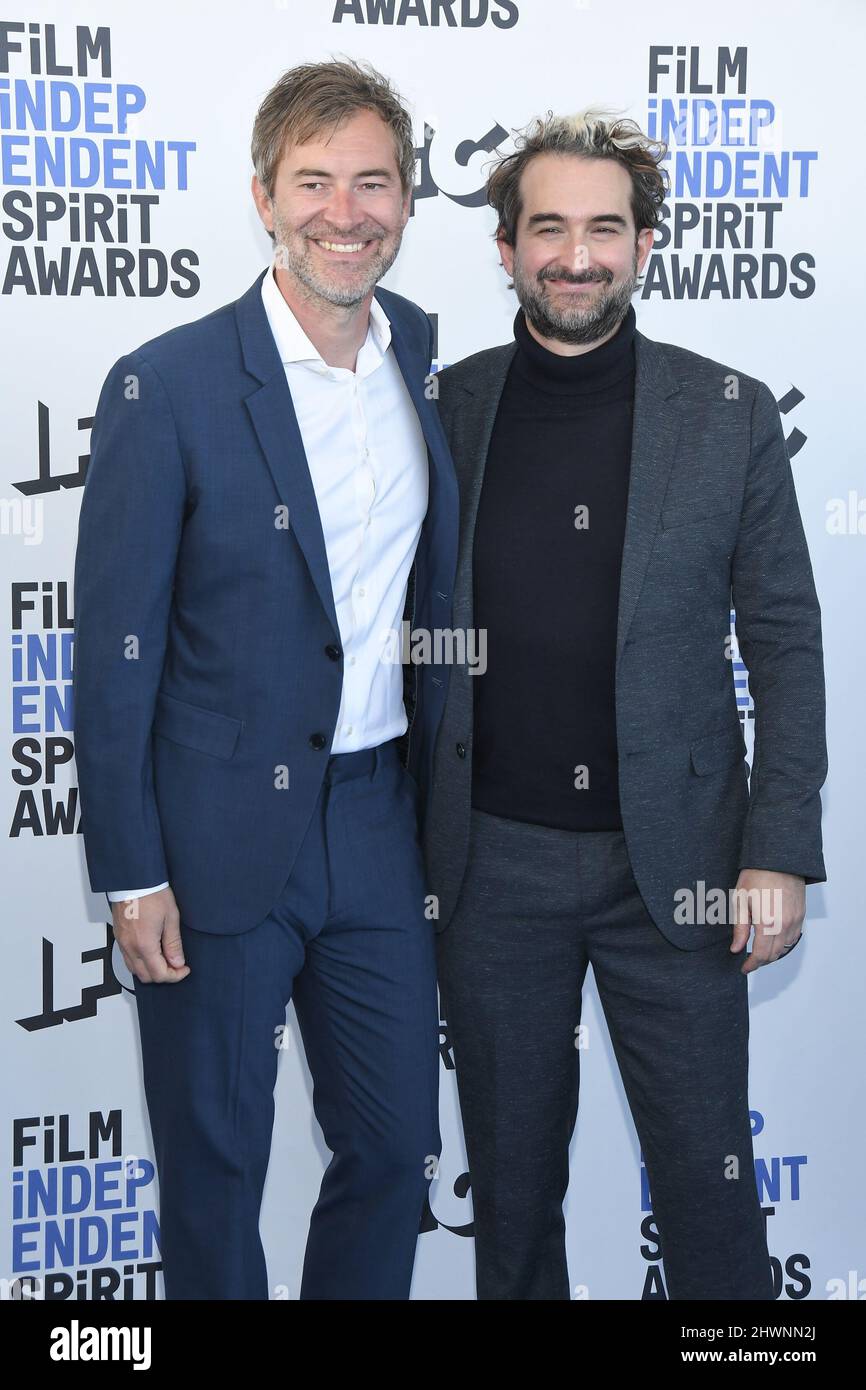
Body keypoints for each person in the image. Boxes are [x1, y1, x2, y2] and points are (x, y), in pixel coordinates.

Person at [423, 108, 827, 1300]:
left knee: (705, 1184)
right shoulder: (446, 404)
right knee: (506, 1185)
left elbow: (784, 638)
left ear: (644, 244)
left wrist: (778, 851)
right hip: (490, 866)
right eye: (547, 227)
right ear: (504, 247)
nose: (575, 254)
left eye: (604, 227)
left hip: (683, 867)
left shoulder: (727, 412)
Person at [73, 57, 457, 1300]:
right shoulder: (168, 382)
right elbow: (115, 649)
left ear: (407, 201)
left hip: (375, 822)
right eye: (313, 183)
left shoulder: (429, 365)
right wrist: (130, 872)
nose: (343, 213)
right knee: (216, 1169)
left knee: (396, 1148)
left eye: (373, 183)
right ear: (261, 196)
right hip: (212, 836)